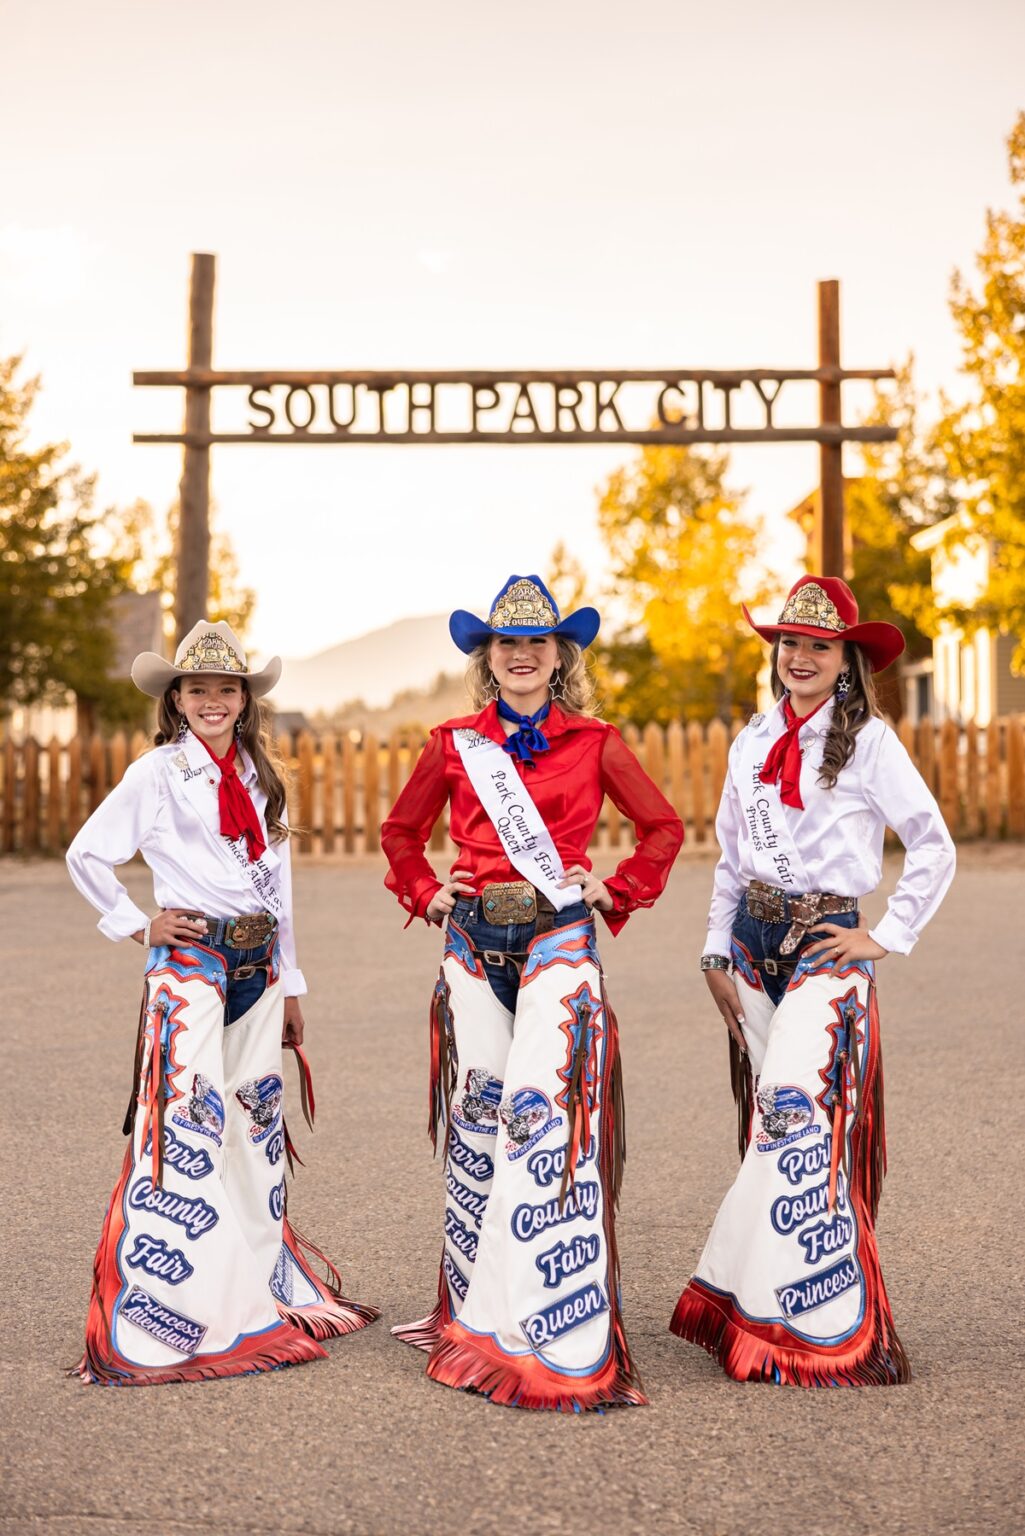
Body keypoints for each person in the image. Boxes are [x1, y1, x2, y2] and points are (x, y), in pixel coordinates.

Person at [382, 574, 684, 1411]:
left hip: (558, 936)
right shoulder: (451, 743)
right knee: (478, 1116)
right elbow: (400, 833)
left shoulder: (596, 741)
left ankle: (552, 1308)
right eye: (506, 643)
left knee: (544, 1118)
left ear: (559, 657)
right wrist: (424, 890)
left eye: (536, 643)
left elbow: (663, 828)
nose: (520, 655)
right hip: (474, 939)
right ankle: (470, 1310)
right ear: (487, 658)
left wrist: (616, 889)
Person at [66, 620, 377, 1385]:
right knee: (188, 1125)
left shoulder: (262, 775)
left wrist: (292, 984)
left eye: (226, 689)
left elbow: (281, 890)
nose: (212, 700)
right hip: (192, 962)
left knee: (254, 1122)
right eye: (197, 689)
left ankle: (253, 1283)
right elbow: (87, 853)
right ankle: (182, 1302)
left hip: (258, 963)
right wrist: (137, 923)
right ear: (175, 700)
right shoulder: (156, 773)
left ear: (245, 699)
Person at [670, 575, 955, 1386]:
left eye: (818, 646)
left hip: (826, 946)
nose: (799, 656)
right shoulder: (752, 740)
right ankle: (765, 1309)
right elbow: (731, 859)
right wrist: (714, 951)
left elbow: (932, 844)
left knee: (792, 1120)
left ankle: (810, 1324)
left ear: (845, 659)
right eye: (788, 642)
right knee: (781, 1131)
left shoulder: (870, 743)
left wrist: (885, 935)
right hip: (751, 944)